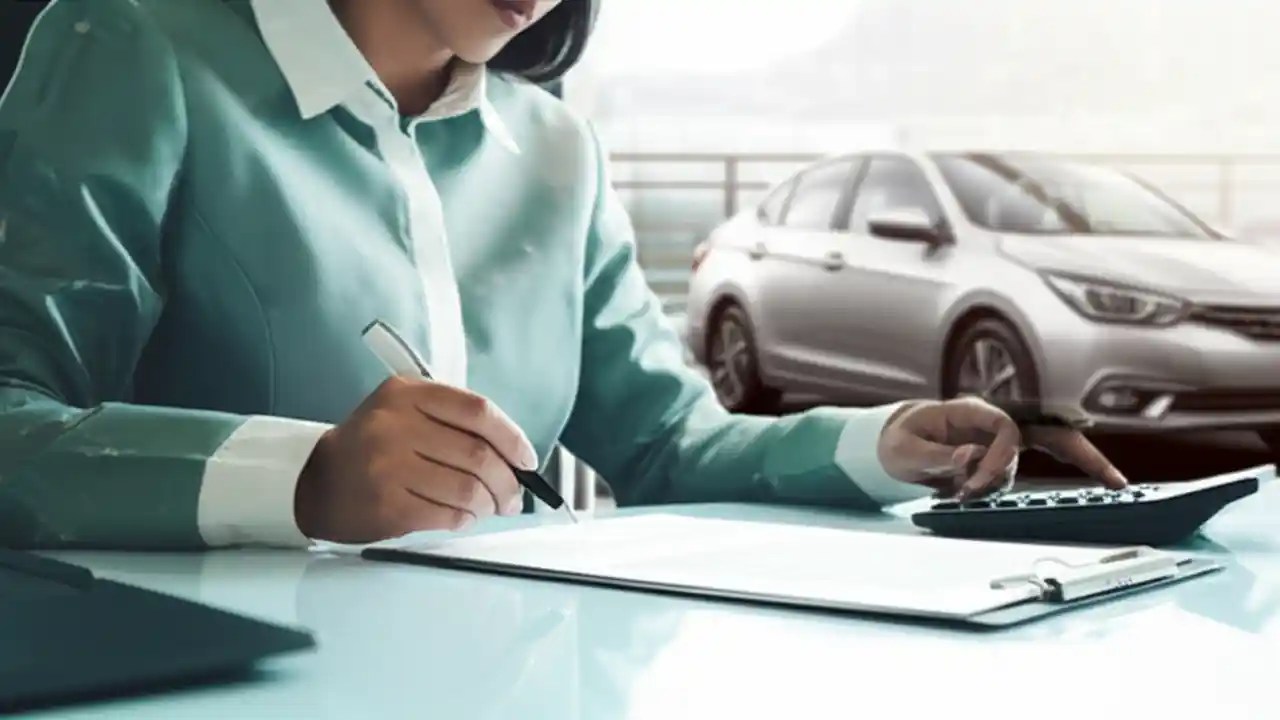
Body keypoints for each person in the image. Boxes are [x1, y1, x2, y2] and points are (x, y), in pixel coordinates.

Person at [0, 0, 1126, 550]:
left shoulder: (554, 150)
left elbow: (665, 445)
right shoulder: (133, 47)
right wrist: (304, 479)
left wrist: (884, 445)